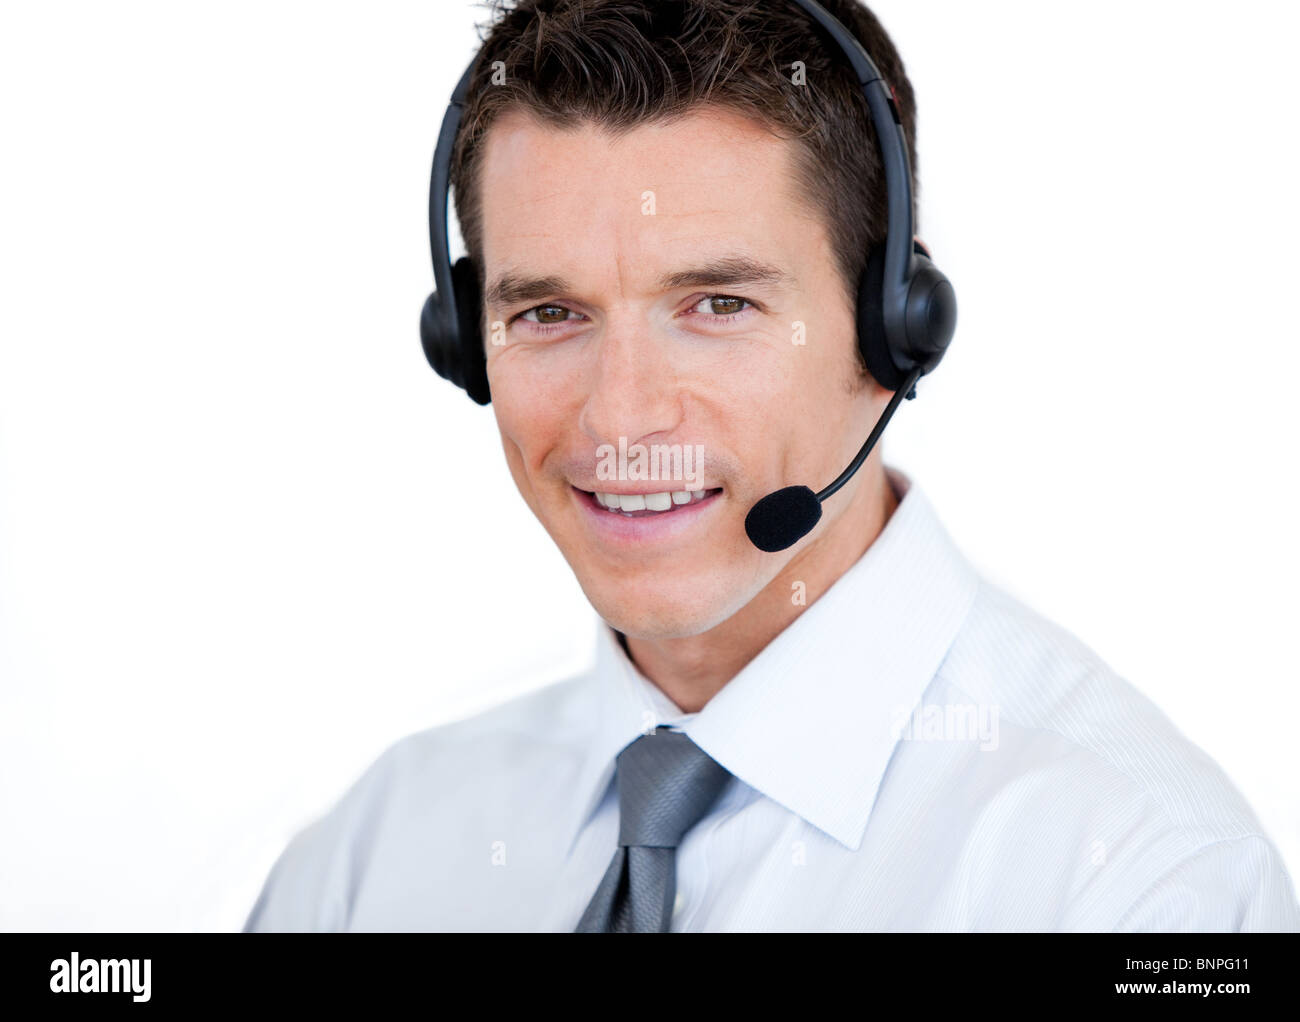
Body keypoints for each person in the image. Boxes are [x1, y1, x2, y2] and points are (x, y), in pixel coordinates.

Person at [242, 0, 1300, 932]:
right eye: (549, 313)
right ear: (466, 347)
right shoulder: (371, 860)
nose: (621, 414)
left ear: (894, 336)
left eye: (718, 305)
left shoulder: (1136, 886)